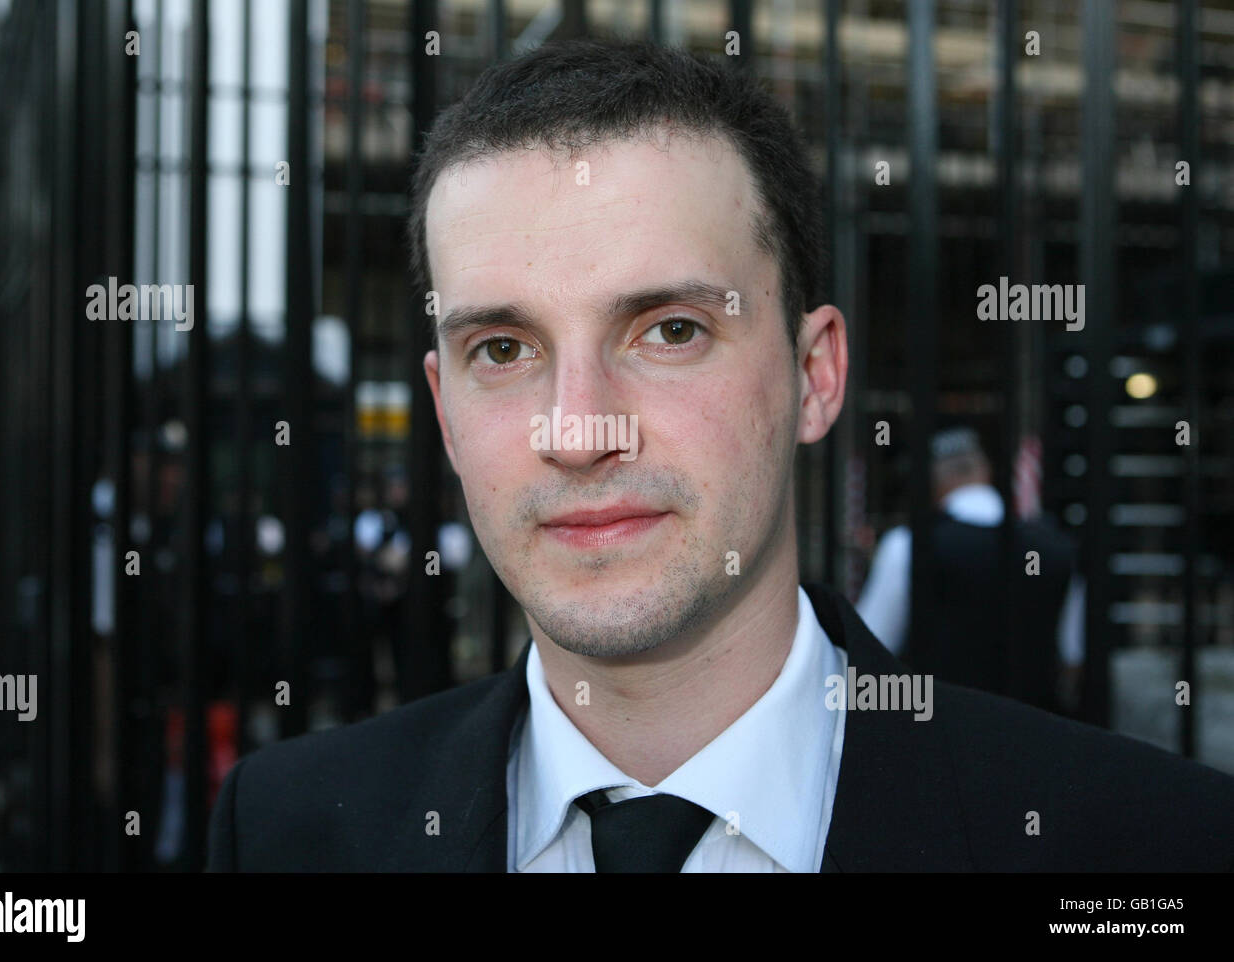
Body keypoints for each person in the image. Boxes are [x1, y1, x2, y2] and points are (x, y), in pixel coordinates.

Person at [207, 36, 1234, 872]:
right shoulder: (290, 830)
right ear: (442, 405)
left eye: (668, 331)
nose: (578, 430)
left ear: (815, 375)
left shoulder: (1147, 845)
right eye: (504, 348)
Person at [857, 426, 1085, 714]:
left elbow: (870, 647)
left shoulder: (909, 547)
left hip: (937, 733)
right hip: (1035, 735)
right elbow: (1074, 656)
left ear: (928, 482)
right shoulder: (1054, 549)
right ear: (986, 472)